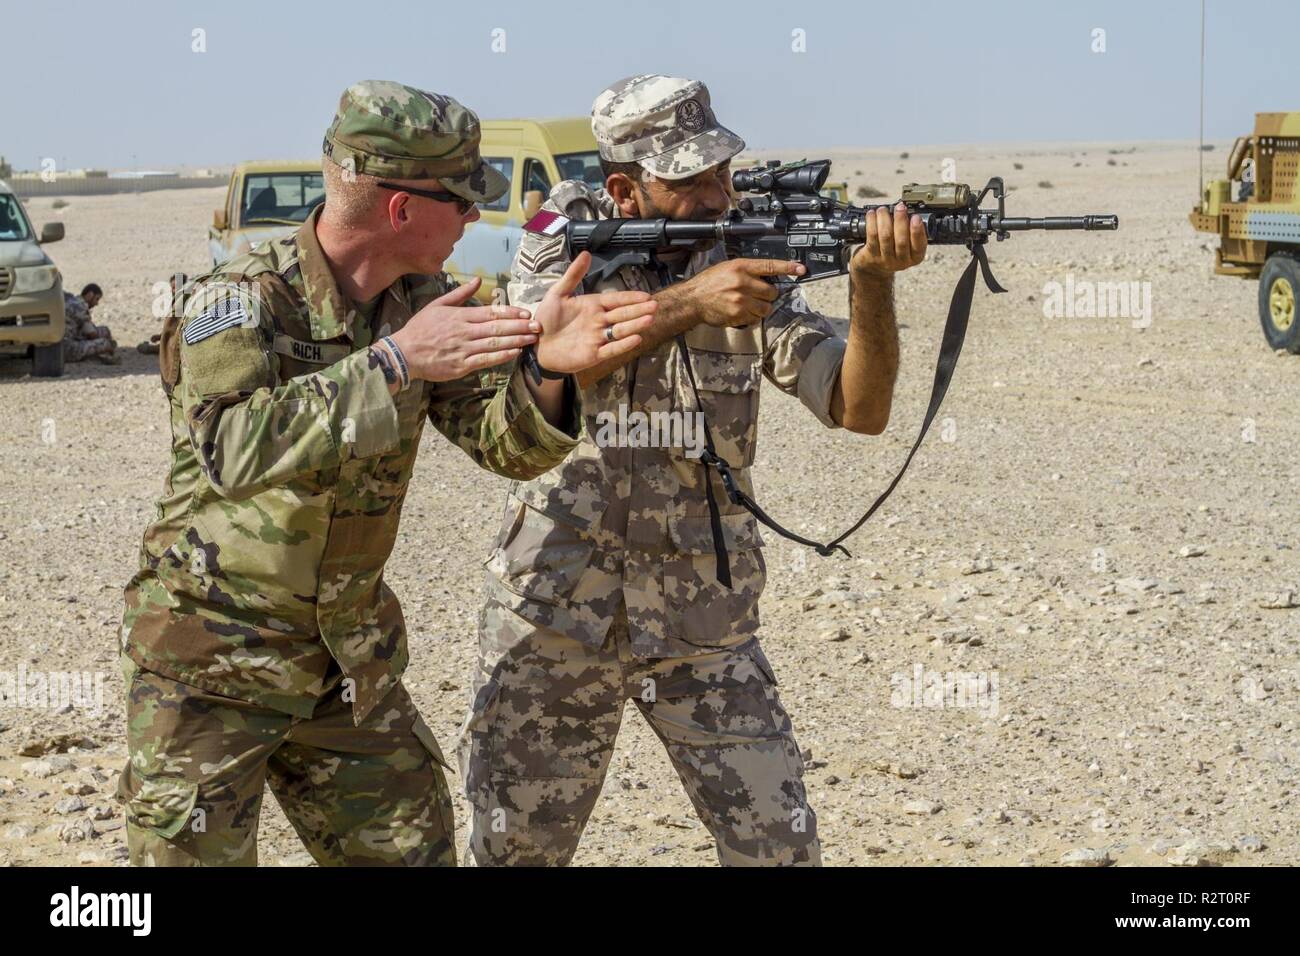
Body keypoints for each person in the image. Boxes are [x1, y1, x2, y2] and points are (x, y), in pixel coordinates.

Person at [115, 79, 656, 867]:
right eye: (464, 201)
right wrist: (395, 363)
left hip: (344, 668)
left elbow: (504, 445)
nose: (477, 217)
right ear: (402, 210)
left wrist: (547, 367)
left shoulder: (425, 300)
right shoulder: (239, 299)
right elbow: (229, 449)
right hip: (207, 674)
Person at [461, 74, 926, 866]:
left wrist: (870, 286)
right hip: (555, 619)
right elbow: (560, 335)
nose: (719, 193)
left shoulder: (742, 257)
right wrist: (692, 302)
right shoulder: (560, 226)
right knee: (515, 855)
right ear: (624, 187)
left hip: (703, 625)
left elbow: (859, 407)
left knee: (779, 852)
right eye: (691, 180)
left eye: (722, 170)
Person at [63, 282, 119, 364]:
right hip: (67, 350)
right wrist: (105, 346)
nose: (97, 303)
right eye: (96, 299)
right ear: (90, 295)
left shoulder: (72, 301)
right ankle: (106, 357)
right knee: (105, 343)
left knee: (104, 331)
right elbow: (92, 334)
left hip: (62, 344)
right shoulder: (80, 306)